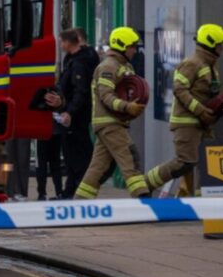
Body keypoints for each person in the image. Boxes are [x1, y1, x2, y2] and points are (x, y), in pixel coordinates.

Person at [146, 23, 223, 196]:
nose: (222, 48)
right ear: (210, 44)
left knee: (207, 162)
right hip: (186, 122)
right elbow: (179, 89)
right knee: (184, 162)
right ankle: (145, 184)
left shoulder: (209, 65)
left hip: (203, 123)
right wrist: (201, 111)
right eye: (220, 44)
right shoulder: (192, 63)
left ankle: (192, 198)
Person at [74, 27, 151, 199]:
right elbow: (106, 96)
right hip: (110, 123)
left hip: (111, 122)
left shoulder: (123, 65)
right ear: (122, 46)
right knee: (130, 158)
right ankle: (143, 199)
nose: (134, 50)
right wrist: (126, 107)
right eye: (132, 46)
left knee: (100, 167)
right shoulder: (108, 67)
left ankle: (79, 202)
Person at [55, 28, 98, 197]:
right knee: (71, 154)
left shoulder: (79, 62)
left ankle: (81, 191)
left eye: (61, 41)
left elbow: (80, 91)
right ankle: (69, 192)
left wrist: (70, 112)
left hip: (76, 117)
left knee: (78, 154)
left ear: (68, 42)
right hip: (72, 114)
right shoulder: (72, 60)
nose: (60, 45)